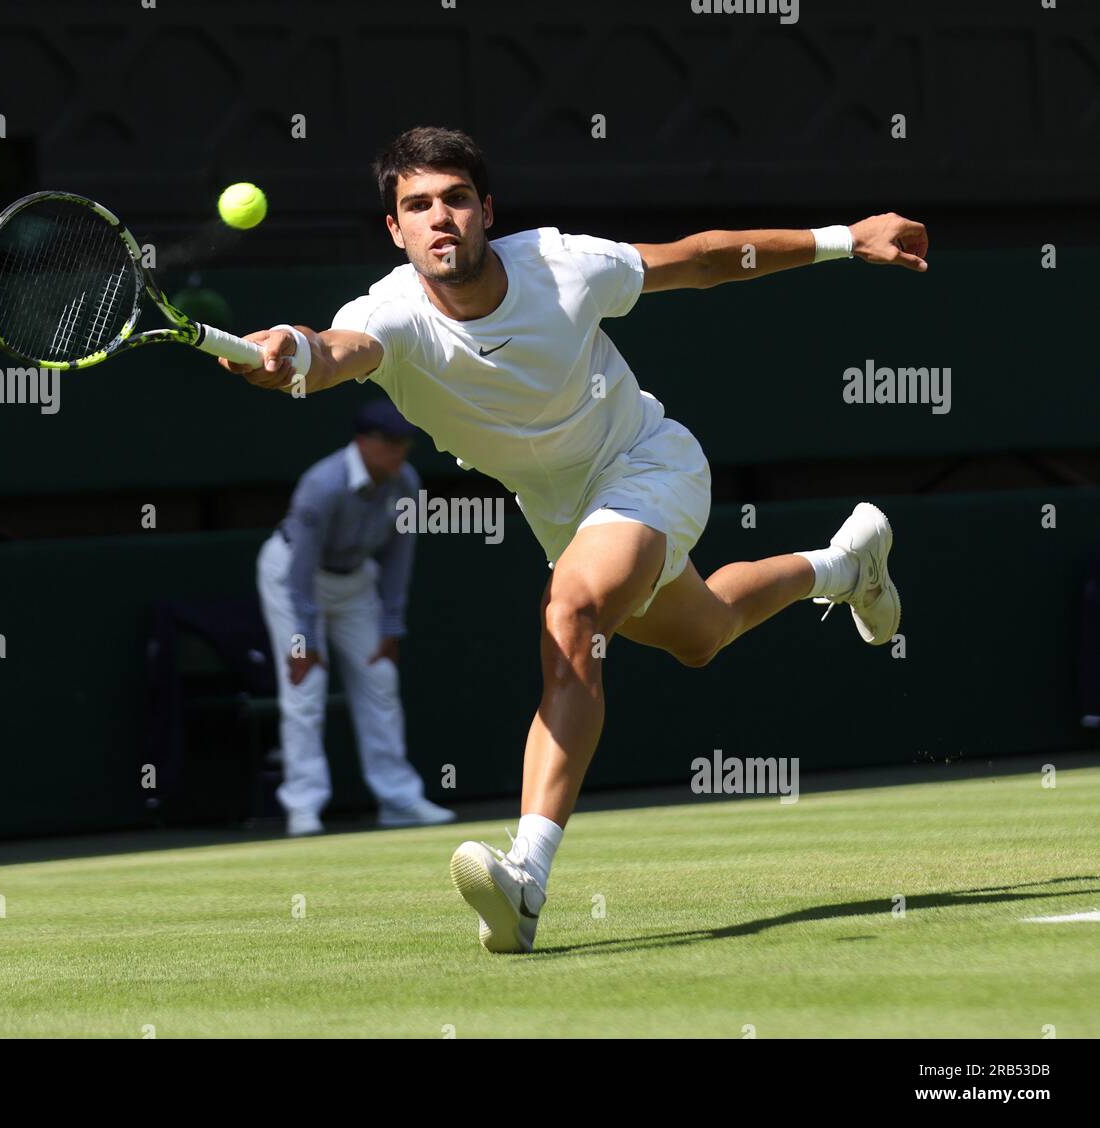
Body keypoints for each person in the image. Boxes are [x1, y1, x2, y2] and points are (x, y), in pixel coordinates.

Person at [223, 126, 923, 951]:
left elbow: (699, 258)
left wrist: (846, 240)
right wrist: (293, 352)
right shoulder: (390, 314)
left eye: (455, 199)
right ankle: (842, 567)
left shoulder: (563, 265)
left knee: (573, 613)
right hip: (561, 513)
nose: (440, 219)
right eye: (418, 206)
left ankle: (526, 876)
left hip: (645, 463)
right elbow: (338, 350)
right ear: (396, 231)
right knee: (701, 634)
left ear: (487, 210)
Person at [256, 399, 456, 837]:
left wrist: (391, 627)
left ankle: (399, 799)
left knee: (380, 679)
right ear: (363, 442)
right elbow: (300, 572)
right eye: (389, 443)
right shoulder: (322, 485)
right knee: (304, 687)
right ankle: (303, 806)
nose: (399, 452)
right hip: (292, 576)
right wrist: (305, 640)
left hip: (355, 583)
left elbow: (400, 560)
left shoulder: (406, 483)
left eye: (405, 443)